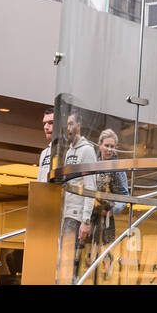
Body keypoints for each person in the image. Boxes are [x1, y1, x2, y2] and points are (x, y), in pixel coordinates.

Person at [83, 128, 130, 279]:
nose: (109, 149)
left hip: (107, 213)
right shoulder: (93, 162)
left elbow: (124, 195)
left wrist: (112, 210)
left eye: (112, 146)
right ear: (100, 145)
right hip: (89, 212)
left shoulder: (117, 167)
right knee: (87, 247)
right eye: (107, 145)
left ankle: (106, 273)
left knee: (106, 247)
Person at [61, 110, 97, 279]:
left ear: (78, 126)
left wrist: (86, 220)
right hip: (66, 215)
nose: (68, 128)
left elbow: (90, 186)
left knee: (70, 265)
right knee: (64, 264)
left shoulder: (87, 151)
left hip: (76, 217)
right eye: (66, 124)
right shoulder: (69, 152)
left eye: (71, 124)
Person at [36, 106, 55, 181]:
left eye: (51, 123)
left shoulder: (70, 150)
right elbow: (40, 180)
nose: (46, 127)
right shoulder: (44, 153)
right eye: (44, 123)